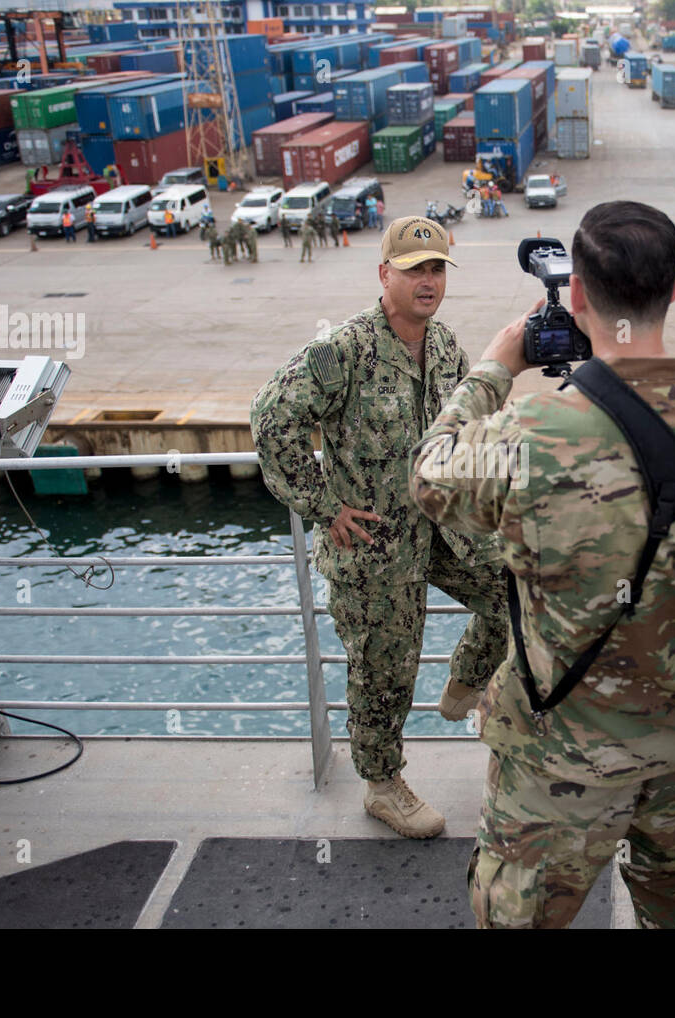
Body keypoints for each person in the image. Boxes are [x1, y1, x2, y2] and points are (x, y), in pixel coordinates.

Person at [411, 201, 675, 927]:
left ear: (576, 294)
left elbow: (429, 475)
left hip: (559, 760)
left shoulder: (535, 430)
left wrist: (495, 366)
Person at [251, 217, 508, 839]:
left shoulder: (445, 346)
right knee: (383, 673)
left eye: (437, 268)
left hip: (445, 527)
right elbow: (271, 420)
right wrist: (324, 505)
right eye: (414, 269)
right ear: (384, 274)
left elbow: (469, 428)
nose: (428, 280)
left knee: (520, 590)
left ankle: (467, 678)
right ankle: (383, 785)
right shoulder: (342, 350)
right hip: (375, 545)